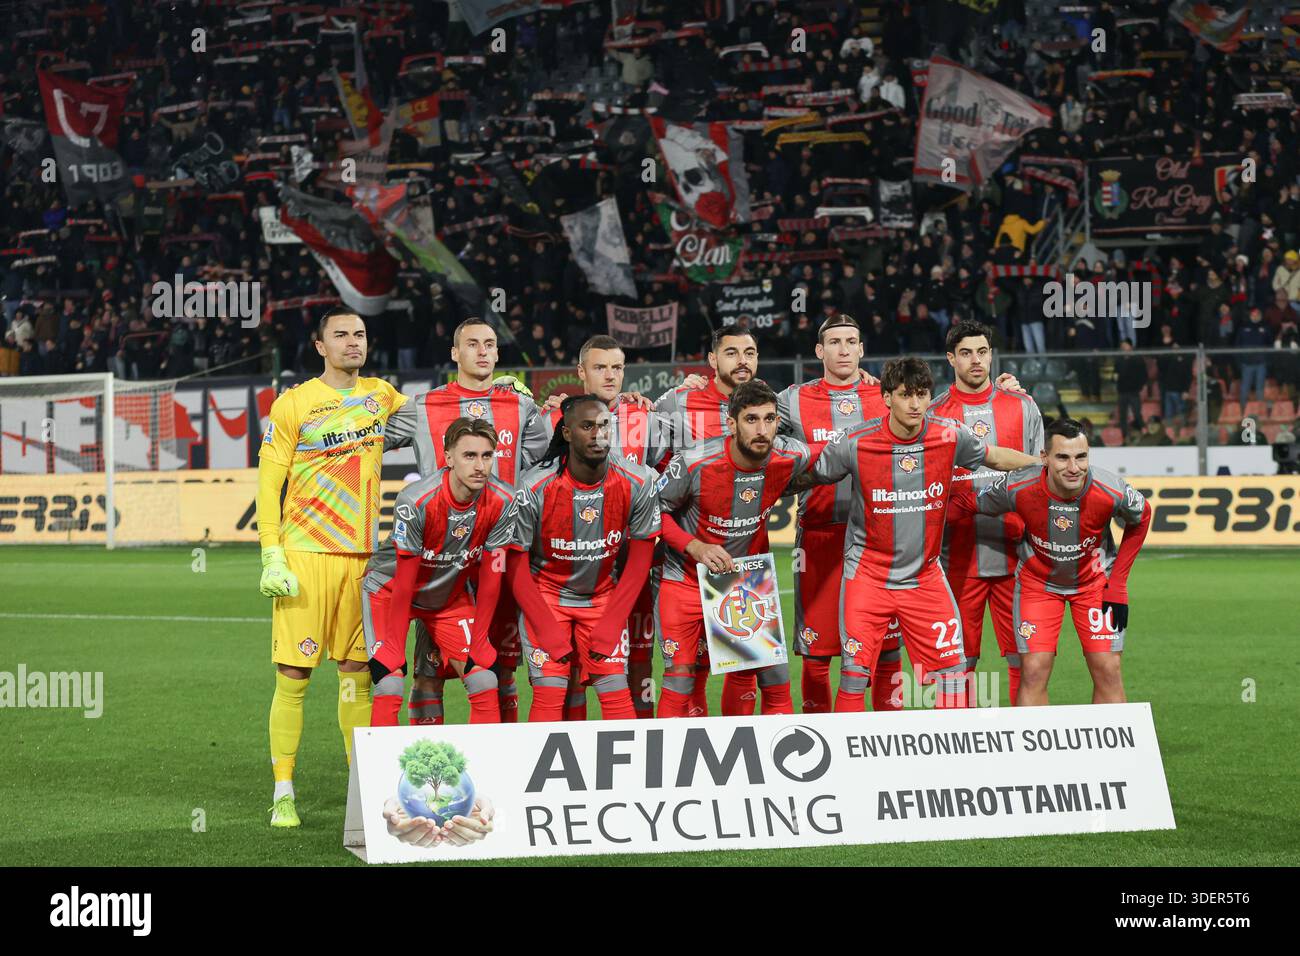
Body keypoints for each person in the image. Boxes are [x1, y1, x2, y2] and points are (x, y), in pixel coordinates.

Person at [798, 357, 1038, 712]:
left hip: (925, 579)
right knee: (854, 676)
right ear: (886, 398)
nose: (915, 404)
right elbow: (808, 474)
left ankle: (951, 762)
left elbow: (995, 457)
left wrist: (1044, 465)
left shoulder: (948, 434)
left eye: (922, 394)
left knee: (954, 675)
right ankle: (851, 765)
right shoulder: (857, 442)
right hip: (868, 577)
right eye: (905, 395)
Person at [256, 306, 412, 828]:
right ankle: (283, 790)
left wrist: (492, 391)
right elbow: (268, 481)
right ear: (320, 345)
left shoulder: (383, 396)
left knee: (355, 677)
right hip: (304, 556)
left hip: (363, 562)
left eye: (360, 334)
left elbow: (439, 423)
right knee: (294, 675)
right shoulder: (294, 403)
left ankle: (360, 791)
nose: (353, 342)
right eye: (341, 335)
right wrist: (270, 551)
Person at [384, 318, 551, 724]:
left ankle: (498, 762)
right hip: (440, 564)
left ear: (497, 353)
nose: (481, 351)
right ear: (455, 354)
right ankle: (426, 773)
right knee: (429, 672)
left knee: (499, 668)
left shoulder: (521, 406)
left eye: (489, 344)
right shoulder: (424, 406)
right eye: (471, 344)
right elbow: (371, 438)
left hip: (499, 554)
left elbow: (545, 458)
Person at [540, 335, 702, 719]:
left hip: (635, 565)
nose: (610, 376)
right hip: (574, 568)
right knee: (574, 668)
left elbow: (675, 478)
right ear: (581, 372)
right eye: (600, 367)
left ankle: (640, 744)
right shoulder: (553, 419)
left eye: (617, 367)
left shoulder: (644, 417)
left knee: (640, 662)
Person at [954, 418, 1151, 706]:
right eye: (1063, 457)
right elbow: (968, 504)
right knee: (1032, 671)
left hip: (1094, 585)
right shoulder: (1018, 485)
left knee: (1108, 669)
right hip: (1038, 585)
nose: (1074, 468)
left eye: (1081, 457)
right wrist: (920, 514)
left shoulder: (1111, 490)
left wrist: (1118, 583)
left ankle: (1109, 752)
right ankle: (1034, 751)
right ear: (1044, 458)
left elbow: (1143, 515)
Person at [655, 380, 813, 718]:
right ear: (731, 424)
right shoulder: (694, 461)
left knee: (776, 680)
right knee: (679, 681)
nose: (762, 429)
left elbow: (835, 462)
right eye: (751, 419)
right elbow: (654, 511)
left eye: (769, 419)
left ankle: (770, 764)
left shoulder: (789, 455)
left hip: (742, 581)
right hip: (684, 579)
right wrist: (694, 546)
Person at [505, 395, 662, 722]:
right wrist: (546, 627)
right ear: (566, 432)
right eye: (587, 426)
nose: (598, 434)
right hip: (547, 596)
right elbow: (516, 564)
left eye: (605, 425)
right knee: (549, 695)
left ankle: (625, 775)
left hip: (603, 596)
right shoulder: (533, 486)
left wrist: (611, 622)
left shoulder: (638, 481)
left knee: (616, 692)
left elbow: (640, 560)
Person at [362, 418, 516, 727]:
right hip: (391, 591)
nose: (480, 465)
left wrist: (481, 638)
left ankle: (485, 771)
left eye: (487, 456)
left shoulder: (504, 501)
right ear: (448, 458)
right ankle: (385, 773)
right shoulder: (416, 500)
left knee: (484, 679)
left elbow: (491, 577)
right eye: (469, 456)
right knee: (389, 681)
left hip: (447, 597)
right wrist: (393, 644)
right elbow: (405, 579)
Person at [933, 320, 1044, 707]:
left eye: (982, 351)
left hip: (1017, 556)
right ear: (951, 359)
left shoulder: (1023, 405)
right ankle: (960, 751)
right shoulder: (935, 415)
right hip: (957, 557)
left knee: (1026, 661)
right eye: (965, 353)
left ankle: (1022, 748)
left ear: (992, 355)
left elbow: (1039, 478)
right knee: (957, 664)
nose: (975, 360)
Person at [654, 324, 762, 717]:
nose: (742, 361)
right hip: (685, 562)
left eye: (749, 353)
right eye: (732, 353)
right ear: (713, 360)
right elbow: (646, 463)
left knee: (745, 671)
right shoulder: (677, 403)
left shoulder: (770, 407)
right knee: (684, 672)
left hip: (745, 565)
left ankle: (742, 760)